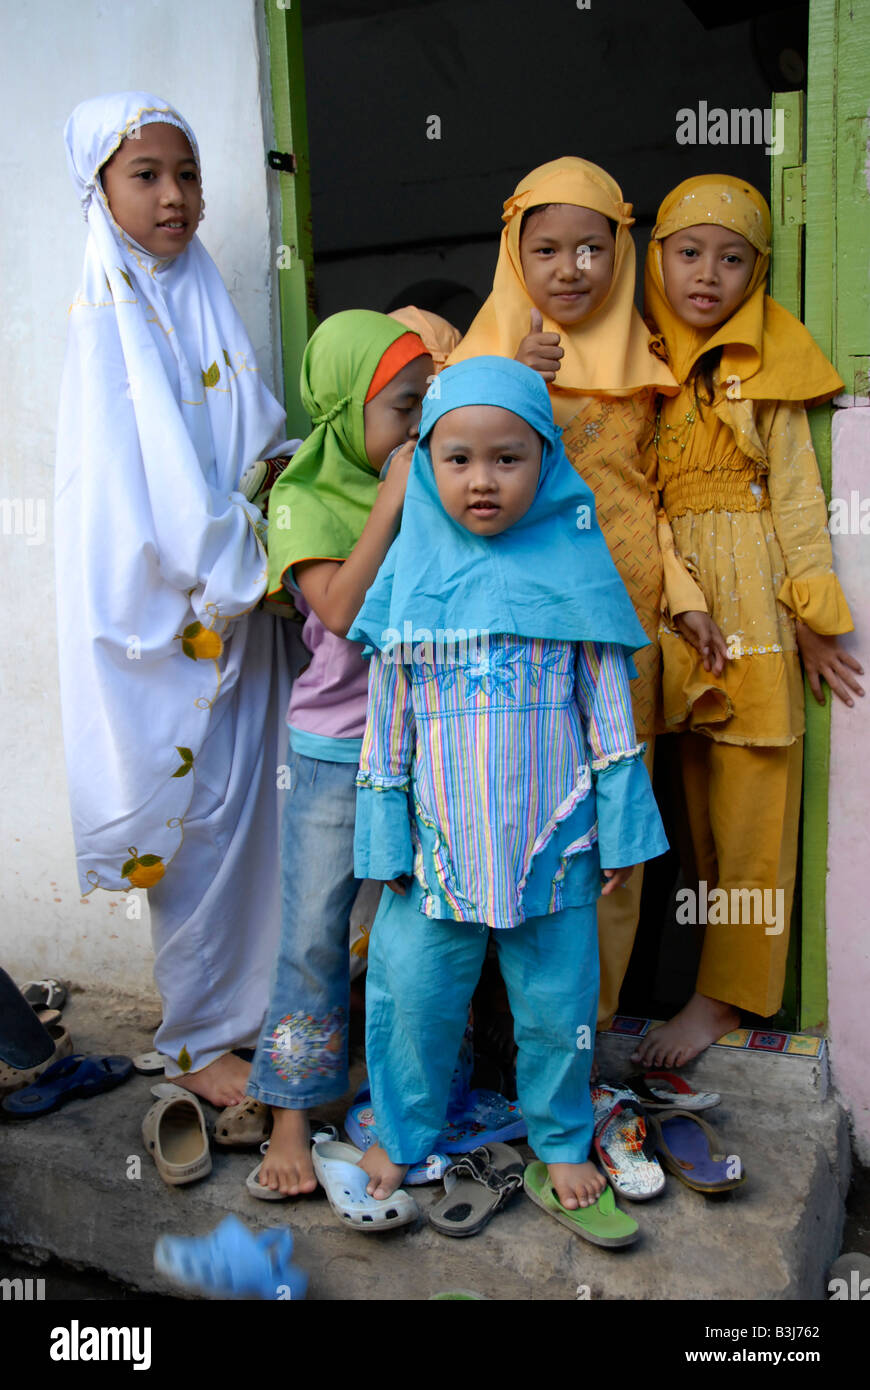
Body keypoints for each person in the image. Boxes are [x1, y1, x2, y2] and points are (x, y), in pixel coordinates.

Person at [349, 356, 669, 1213]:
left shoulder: (578, 580)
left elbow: (608, 713)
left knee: (557, 1007)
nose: (481, 481)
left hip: (553, 840)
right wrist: (384, 839)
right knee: (412, 999)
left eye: (507, 458)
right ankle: (405, 1133)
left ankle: (562, 1137)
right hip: (435, 849)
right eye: (457, 459)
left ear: (546, 462)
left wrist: (621, 829)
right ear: (428, 466)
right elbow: (388, 728)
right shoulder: (411, 584)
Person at [56, 92, 298, 1109]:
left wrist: (285, 483)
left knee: (258, 814)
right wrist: (251, 557)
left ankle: (253, 1017)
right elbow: (145, 483)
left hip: (240, 599)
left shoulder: (196, 287)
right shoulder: (109, 313)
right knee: (194, 827)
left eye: (187, 174)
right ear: (98, 190)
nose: (175, 197)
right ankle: (196, 1038)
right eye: (146, 175)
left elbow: (246, 426)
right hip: (176, 613)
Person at [448, 158, 707, 1031]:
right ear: (516, 257)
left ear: (620, 252)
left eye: (593, 248)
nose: (572, 268)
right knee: (514, 809)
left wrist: (683, 597)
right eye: (548, 249)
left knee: (612, 828)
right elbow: (451, 503)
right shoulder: (476, 365)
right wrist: (515, 382)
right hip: (521, 630)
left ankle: (579, 1035)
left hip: (624, 629)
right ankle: (496, 1027)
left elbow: (656, 501)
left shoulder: (651, 369)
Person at [631, 174, 863, 1068]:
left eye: (733, 260)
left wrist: (811, 610)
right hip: (679, 621)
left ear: (757, 273)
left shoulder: (766, 368)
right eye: (688, 252)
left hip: (756, 616)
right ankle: (699, 978)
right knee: (698, 824)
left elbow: (800, 502)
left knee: (752, 819)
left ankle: (726, 999)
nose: (707, 274)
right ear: (656, 261)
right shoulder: (642, 365)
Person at [245, 310, 433, 1196]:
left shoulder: (439, 477)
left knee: (430, 930)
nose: (418, 426)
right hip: (334, 749)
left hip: (430, 745)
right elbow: (344, 612)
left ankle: (416, 1104)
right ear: (346, 407)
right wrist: (393, 504)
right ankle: (291, 1112)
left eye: (426, 402)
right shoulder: (303, 495)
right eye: (403, 406)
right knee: (315, 936)